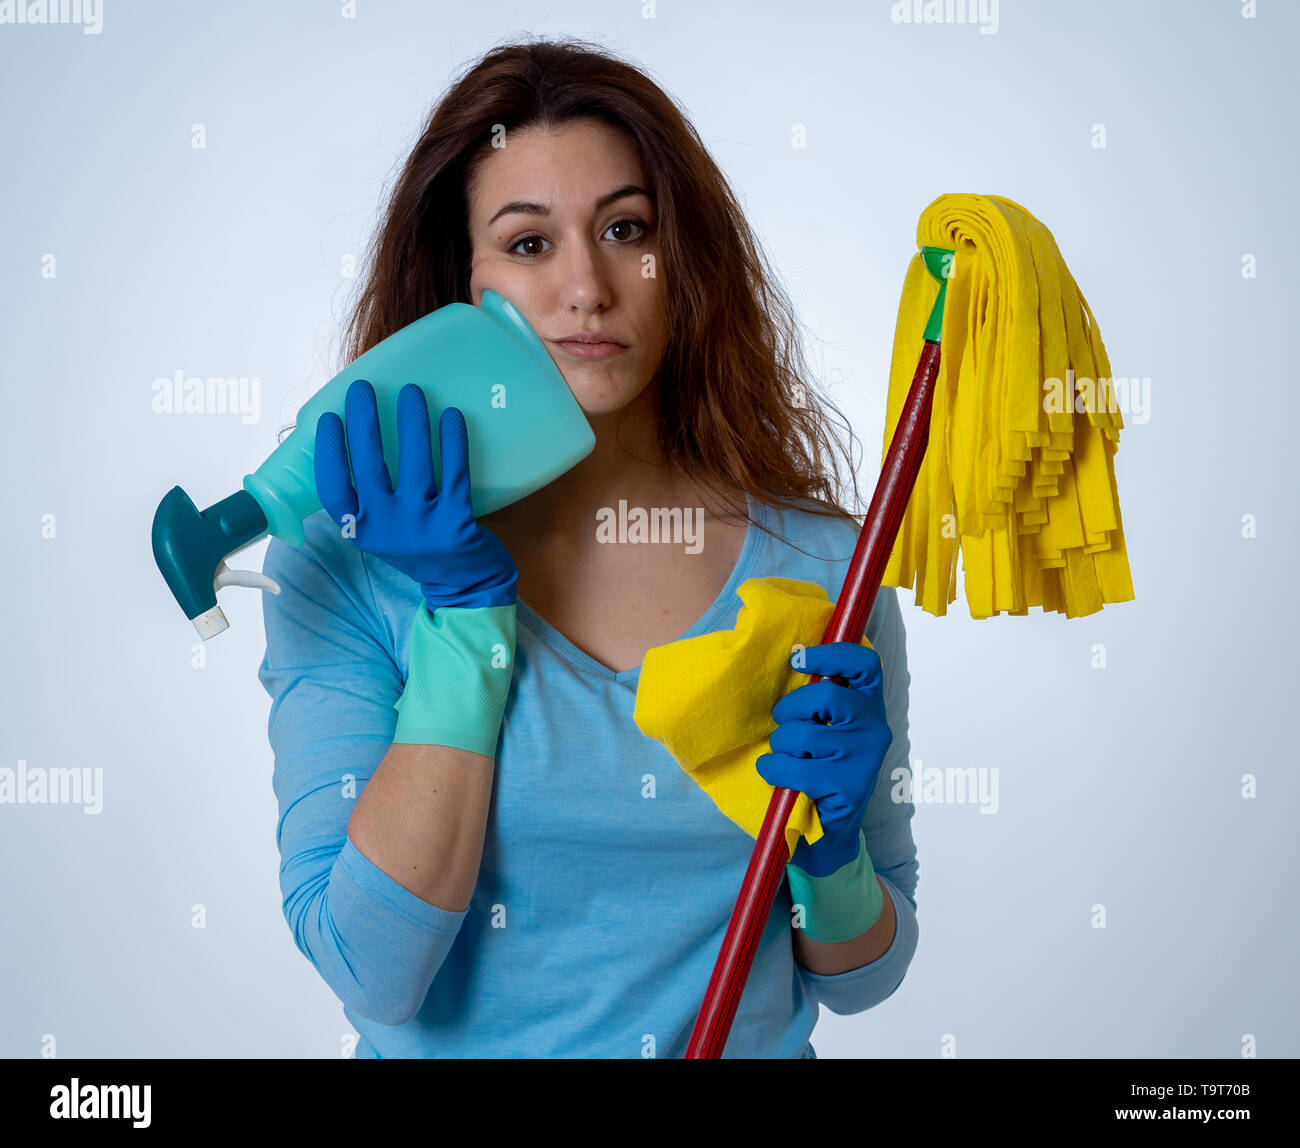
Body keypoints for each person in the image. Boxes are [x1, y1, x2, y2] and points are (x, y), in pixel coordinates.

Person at [257, 35, 919, 1059]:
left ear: (683, 259)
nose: (587, 287)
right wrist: (462, 620)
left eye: (625, 229)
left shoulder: (827, 570)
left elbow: (863, 976)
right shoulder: (345, 564)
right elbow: (371, 970)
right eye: (528, 243)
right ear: (458, 280)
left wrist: (828, 859)